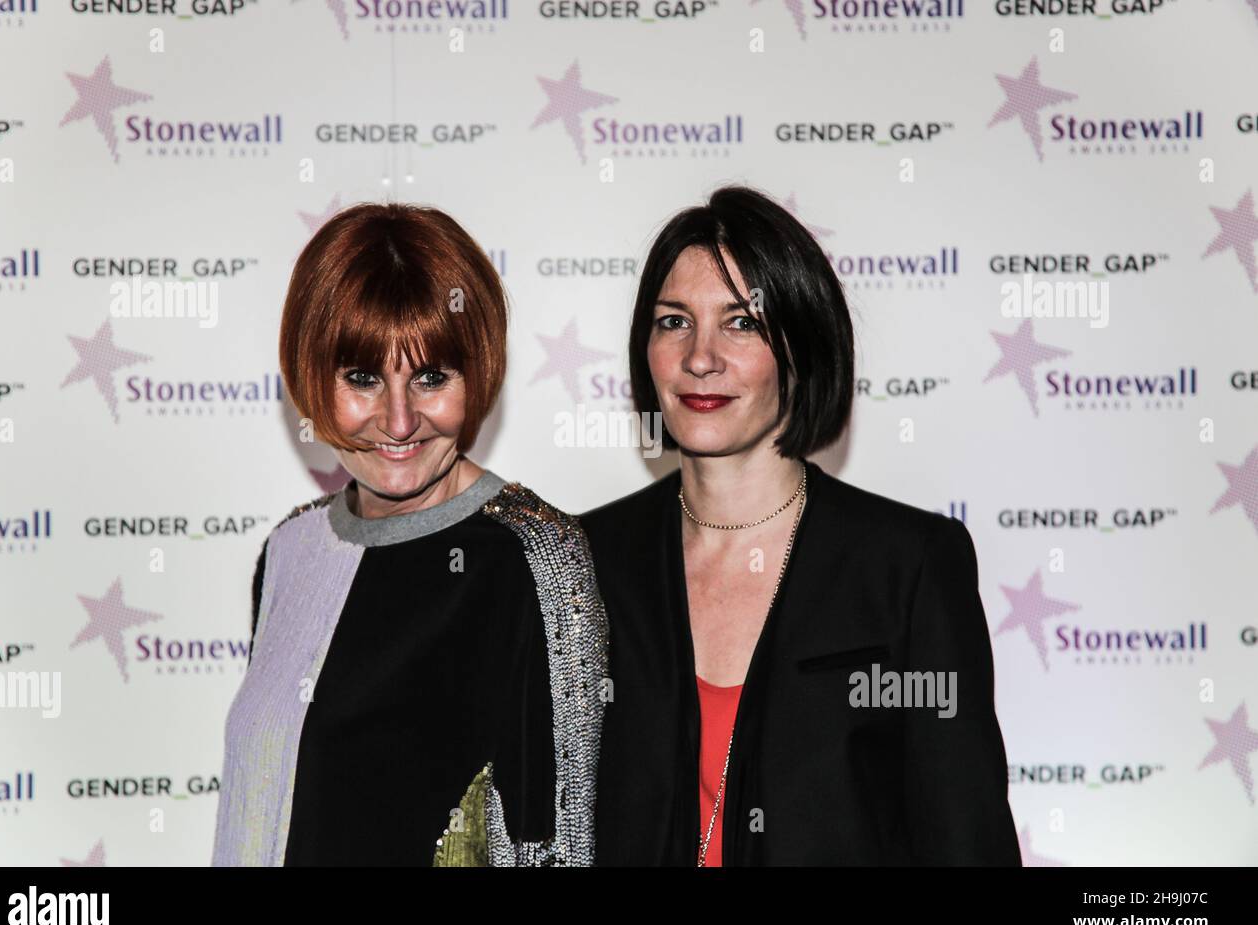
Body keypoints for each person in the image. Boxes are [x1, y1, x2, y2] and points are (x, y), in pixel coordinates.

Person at [581, 185, 1020, 866]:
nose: (701, 357)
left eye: (742, 323)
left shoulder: (906, 567)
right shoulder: (584, 563)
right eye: (674, 322)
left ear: (801, 345)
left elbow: (965, 841)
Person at [212, 202, 607, 867]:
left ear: (476, 374)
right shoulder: (292, 549)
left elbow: (556, 847)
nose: (398, 422)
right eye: (363, 378)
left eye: (430, 378)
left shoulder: (530, 556)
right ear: (311, 376)